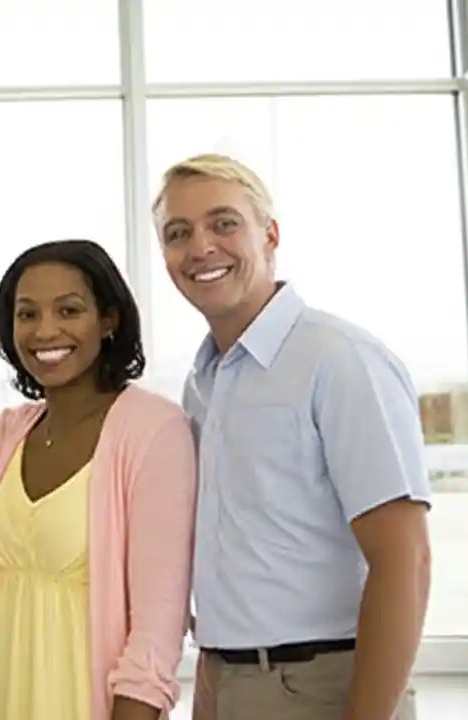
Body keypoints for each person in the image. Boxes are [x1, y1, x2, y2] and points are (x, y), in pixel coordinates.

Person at [152, 153, 432, 720]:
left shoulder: (339, 359)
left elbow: (407, 558)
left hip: (323, 685)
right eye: (178, 233)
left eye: (224, 223)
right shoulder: (203, 381)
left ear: (270, 235)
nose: (201, 246)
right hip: (222, 676)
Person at [0, 239, 199, 720]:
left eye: (69, 310)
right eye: (27, 314)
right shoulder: (7, 433)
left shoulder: (155, 430)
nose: (44, 330)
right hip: (2, 696)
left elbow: (156, 633)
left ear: (108, 320)